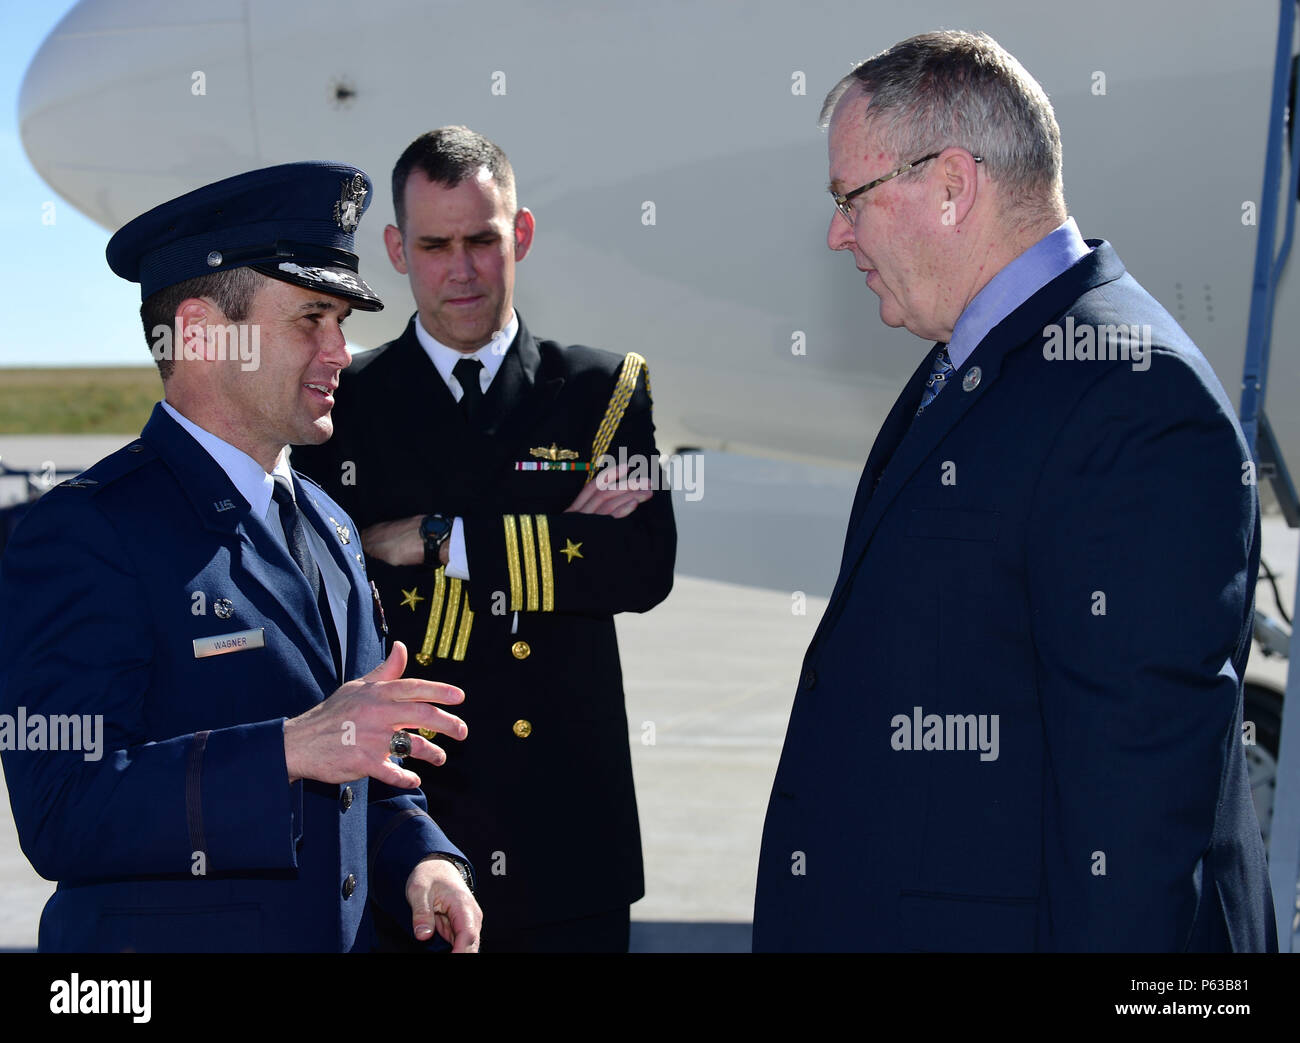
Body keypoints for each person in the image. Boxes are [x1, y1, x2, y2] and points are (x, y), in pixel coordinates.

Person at [753, 31, 1276, 952]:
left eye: (851, 198)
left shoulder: (1132, 396)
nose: (838, 231)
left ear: (952, 184)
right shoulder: (976, 360)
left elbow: (1139, 805)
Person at [0, 162, 482, 953]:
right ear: (199, 331)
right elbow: (62, 809)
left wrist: (420, 855)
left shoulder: (327, 521)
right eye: (311, 319)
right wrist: (290, 749)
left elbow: (363, 753)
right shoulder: (85, 531)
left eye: (343, 320)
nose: (342, 349)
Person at [291, 128, 676, 952]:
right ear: (396, 248)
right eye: (434, 245)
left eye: (482, 240)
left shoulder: (599, 391)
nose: (459, 269)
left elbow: (640, 567)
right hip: (414, 825)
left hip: (568, 833)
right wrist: (553, 539)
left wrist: (436, 539)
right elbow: (321, 585)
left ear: (521, 235)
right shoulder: (339, 406)